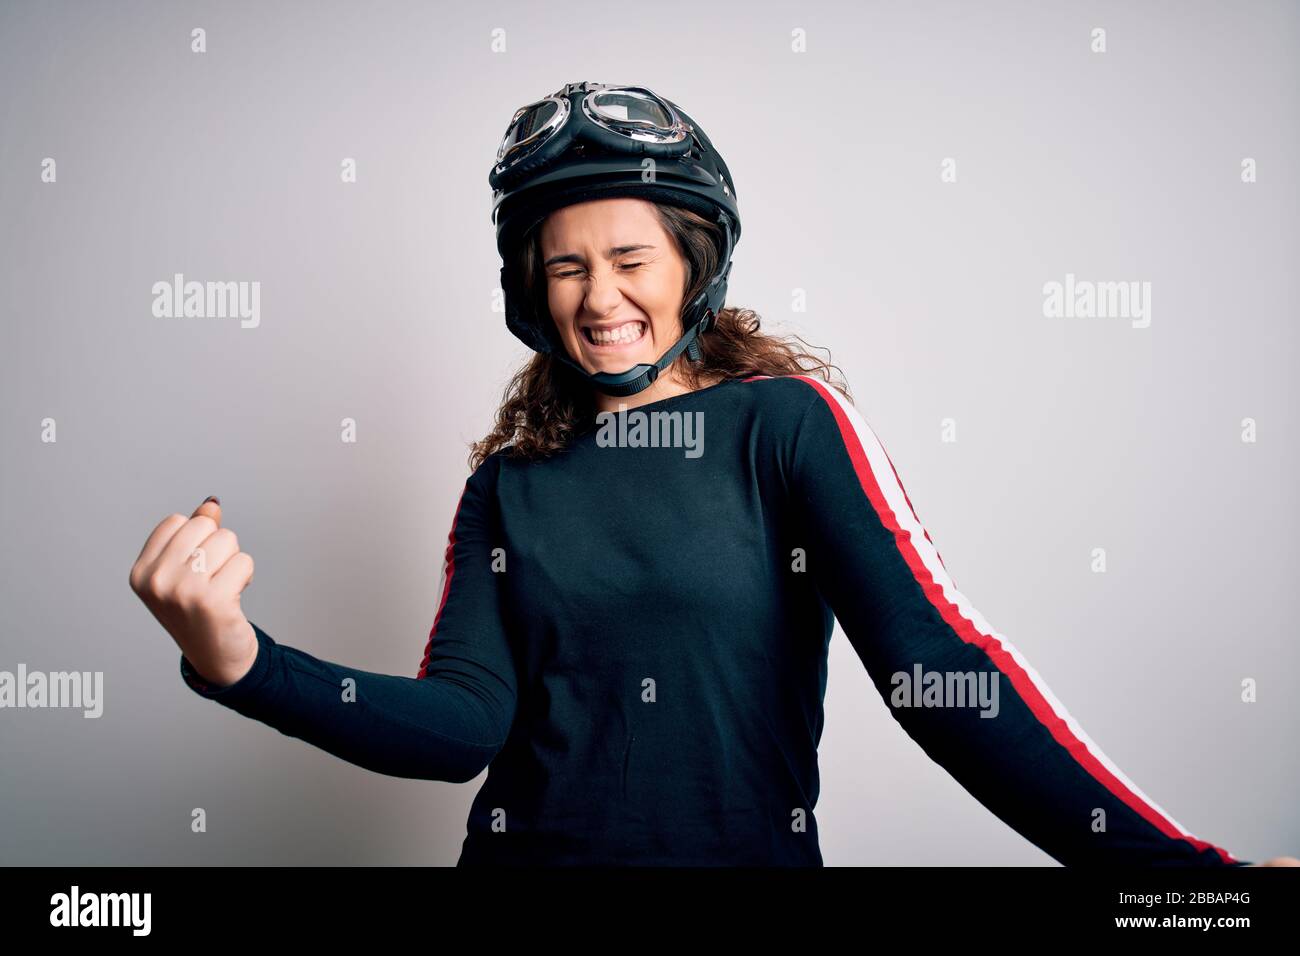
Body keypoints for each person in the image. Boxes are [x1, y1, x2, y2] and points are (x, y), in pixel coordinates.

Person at [129, 81, 1296, 867]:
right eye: (565, 267)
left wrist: (1186, 880)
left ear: (692, 264)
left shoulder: (783, 428)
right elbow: (458, 728)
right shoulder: (510, 483)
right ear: (529, 289)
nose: (599, 296)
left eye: (631, 257)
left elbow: (938, 672)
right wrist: (239, 659)